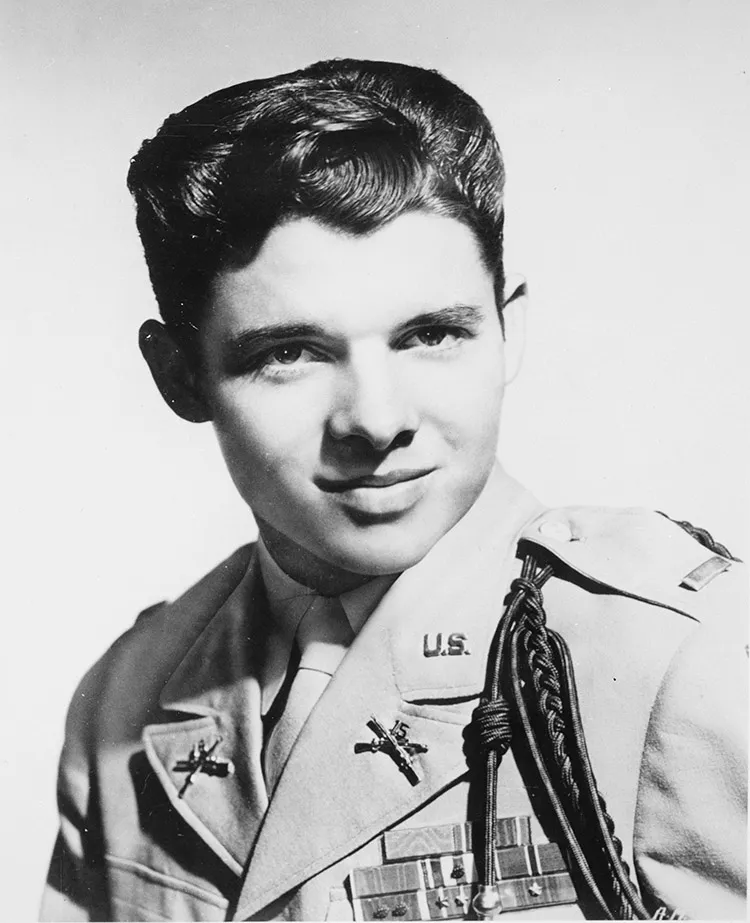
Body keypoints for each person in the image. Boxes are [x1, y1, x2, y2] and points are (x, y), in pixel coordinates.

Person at [41, 58, 746, 922]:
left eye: (431, 335)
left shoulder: (684, 662)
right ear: (180, 375)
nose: (375, 421)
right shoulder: (128, 697)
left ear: (506, 328)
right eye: (287, 352)